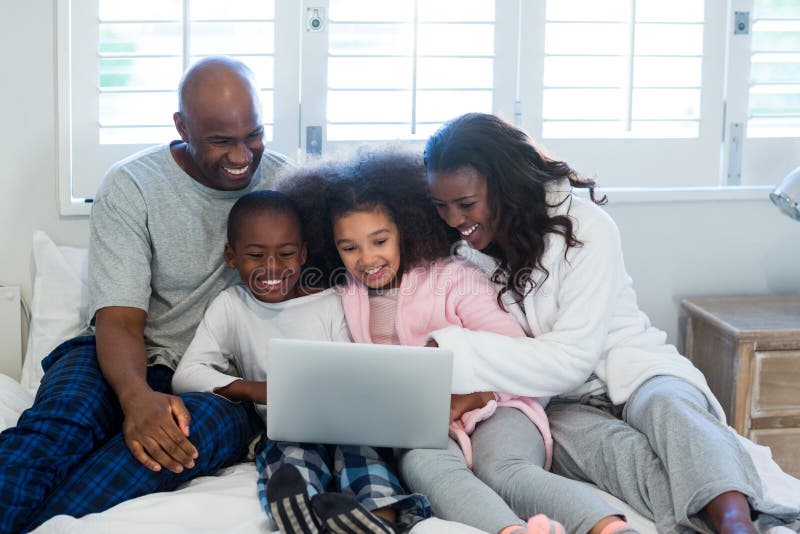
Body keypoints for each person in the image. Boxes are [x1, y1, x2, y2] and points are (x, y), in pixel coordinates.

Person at [421, 112, 800, 534]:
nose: (454, 219)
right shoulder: (464, 258)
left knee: (675, 413)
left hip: (632, 365)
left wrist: (453, 348)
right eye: (441, 206)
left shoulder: (587, 229)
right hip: (560, 401)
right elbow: (556, 373)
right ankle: (720, 519)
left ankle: (737, 524)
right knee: (619, 456)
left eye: (466, 204)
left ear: (505, 186)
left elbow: (571, 358)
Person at [0, 57, 290, 533]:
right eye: (222, 141)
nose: (242, 156)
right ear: (182, 126)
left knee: (154, 455)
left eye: (253, 135)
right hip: (118, 354)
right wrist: (136, 398)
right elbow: (118, 320)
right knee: (55, 430)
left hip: (218, 387)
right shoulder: (134, 184)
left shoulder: (289, 185)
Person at [280, 150, 570, 534]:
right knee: (424, 468)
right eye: (349, 247)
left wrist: (467, 400)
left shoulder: (453, 278)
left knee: (505, 468)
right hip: (423, 425)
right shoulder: (345, 295)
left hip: (499, 402)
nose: (367, 259)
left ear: (406, 229)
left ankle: (608, 526)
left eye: (379, 240)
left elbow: (512, 349)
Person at [172, 190, 431, 534]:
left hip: (347, 423)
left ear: (304, 253)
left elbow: (354, 369)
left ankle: (378, 522)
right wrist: (257, 390)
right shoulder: (231, 306)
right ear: (231, 257)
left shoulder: (331, 302)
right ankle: (301, 516)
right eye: (255, 255)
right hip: (287, 427)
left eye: (287, 254)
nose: (272, 268)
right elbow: (186, 375)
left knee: (364, 458)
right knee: (291, 460)